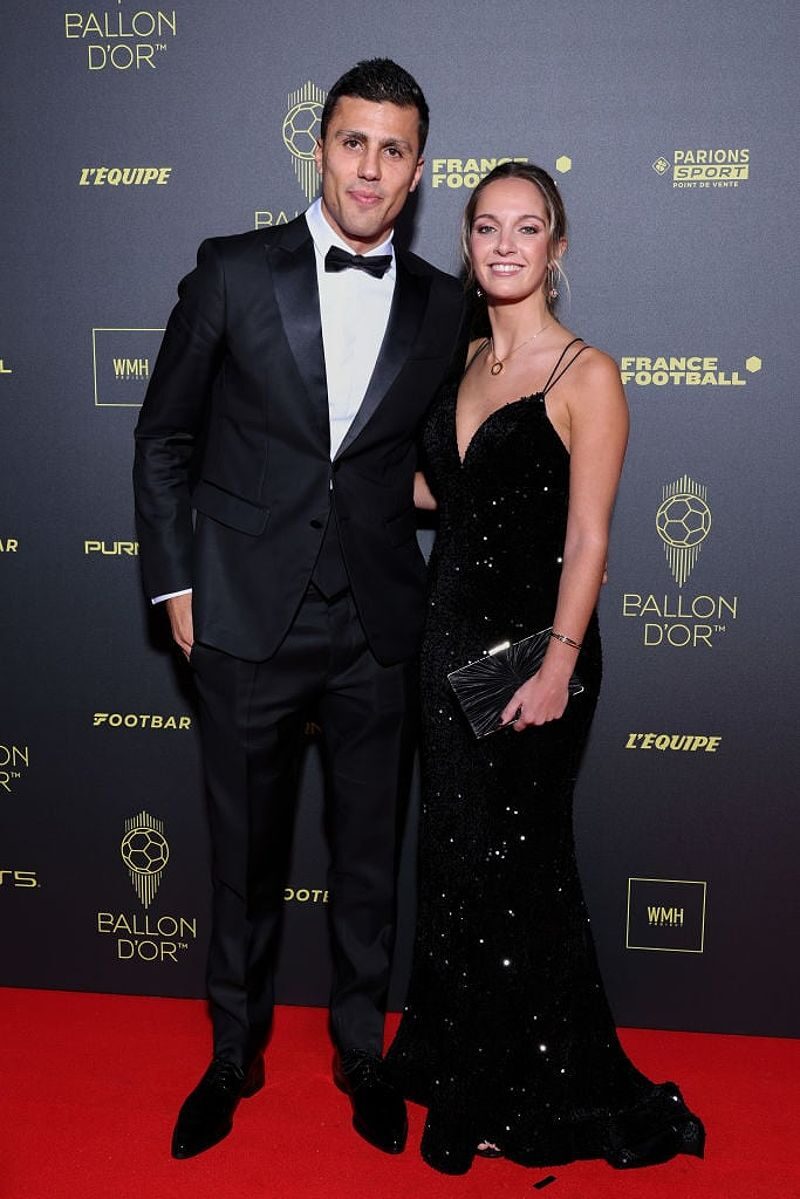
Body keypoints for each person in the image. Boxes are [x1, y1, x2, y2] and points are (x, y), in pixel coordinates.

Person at [133, 58, 464, 1160]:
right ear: (320, 145)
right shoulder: (232, 270)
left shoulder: (442, 302)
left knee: (370, 856)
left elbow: (428, 463)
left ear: (417, 171)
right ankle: (232, 1054)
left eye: (393, 149)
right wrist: (177, 585)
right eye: (352, 141)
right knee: (241, 857)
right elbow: (165, 437)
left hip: (376, 624)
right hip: (239, 615)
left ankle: (363, 1053)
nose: (370, 167)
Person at [385, 162, 705, 1174]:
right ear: (469, 243)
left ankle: (525, 1088)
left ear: (556, 248)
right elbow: (446, 492)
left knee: (513, 869)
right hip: (447, 644)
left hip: (531, 651)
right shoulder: (463, 362)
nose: (506, 244)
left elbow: (591, 534)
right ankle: (461, 1065)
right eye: (487, 227)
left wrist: (558, 663)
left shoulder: (585, 374)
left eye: (528, 227)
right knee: (453, 866)